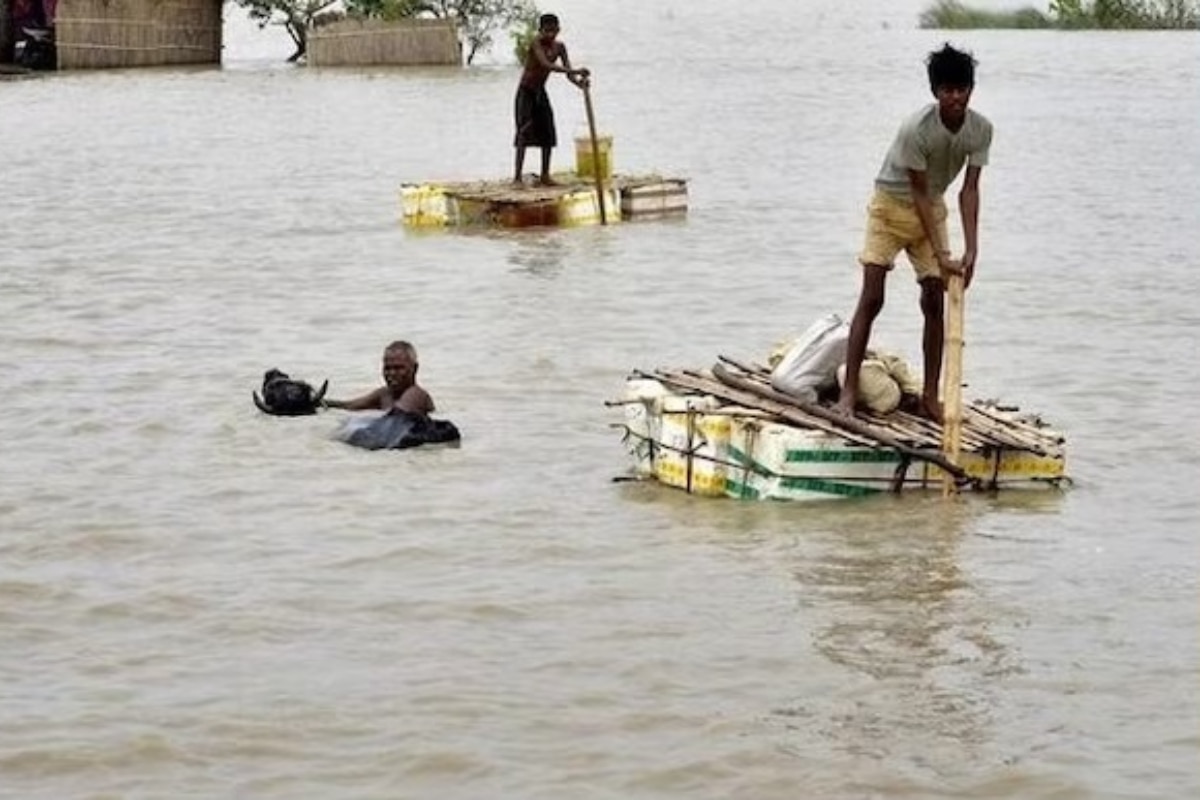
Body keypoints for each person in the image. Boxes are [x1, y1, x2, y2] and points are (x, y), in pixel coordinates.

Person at [834, 43, 993, 423]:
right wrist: (942, 255)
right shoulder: (916, 129)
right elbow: (916, 192)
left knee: (934, 301)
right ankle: (849, 392)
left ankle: (929, 397)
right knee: (872, 297)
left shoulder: (980, 129)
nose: (955, 97)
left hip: (932, 210)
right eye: (947, 90)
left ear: (971, 89)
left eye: (961, 89)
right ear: (935, 92)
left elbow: (969, 190)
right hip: (890, 207)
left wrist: (971, 251)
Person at [513, 13, 590, 187]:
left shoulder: (560, 47)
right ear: (540, 30)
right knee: (523, 132)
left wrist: (580, 84)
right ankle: (517, 178)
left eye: (553, 31)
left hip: (540, 92)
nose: (550, 35)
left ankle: (545, 176)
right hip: (526, 92)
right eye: (547, 31)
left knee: (547, 132)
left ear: (558, 30)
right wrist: (576, 71)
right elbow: (546, 64)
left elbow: (568, 75)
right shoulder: (535, 44)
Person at [324, 341, 435, 415]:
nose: (391, 373)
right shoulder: (384, 394)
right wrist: (318, 402)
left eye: (398, 368)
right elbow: (348, 406)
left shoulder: (416, 394)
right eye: (387, 368)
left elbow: (397, 416)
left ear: (414, 368)